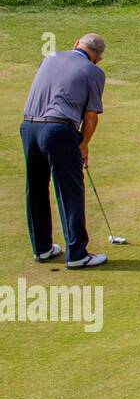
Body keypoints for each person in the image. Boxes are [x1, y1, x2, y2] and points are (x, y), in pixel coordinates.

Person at [19, 33, 109, 268]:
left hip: (28, 127)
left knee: (36, 187)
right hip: (58, 130)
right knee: (69, 190)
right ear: (97, 59)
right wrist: (83, 145)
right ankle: (77, 254)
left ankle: (42, 249)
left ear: (76, 44)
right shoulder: (94, 72)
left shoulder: (49, 57)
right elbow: (90, 118)